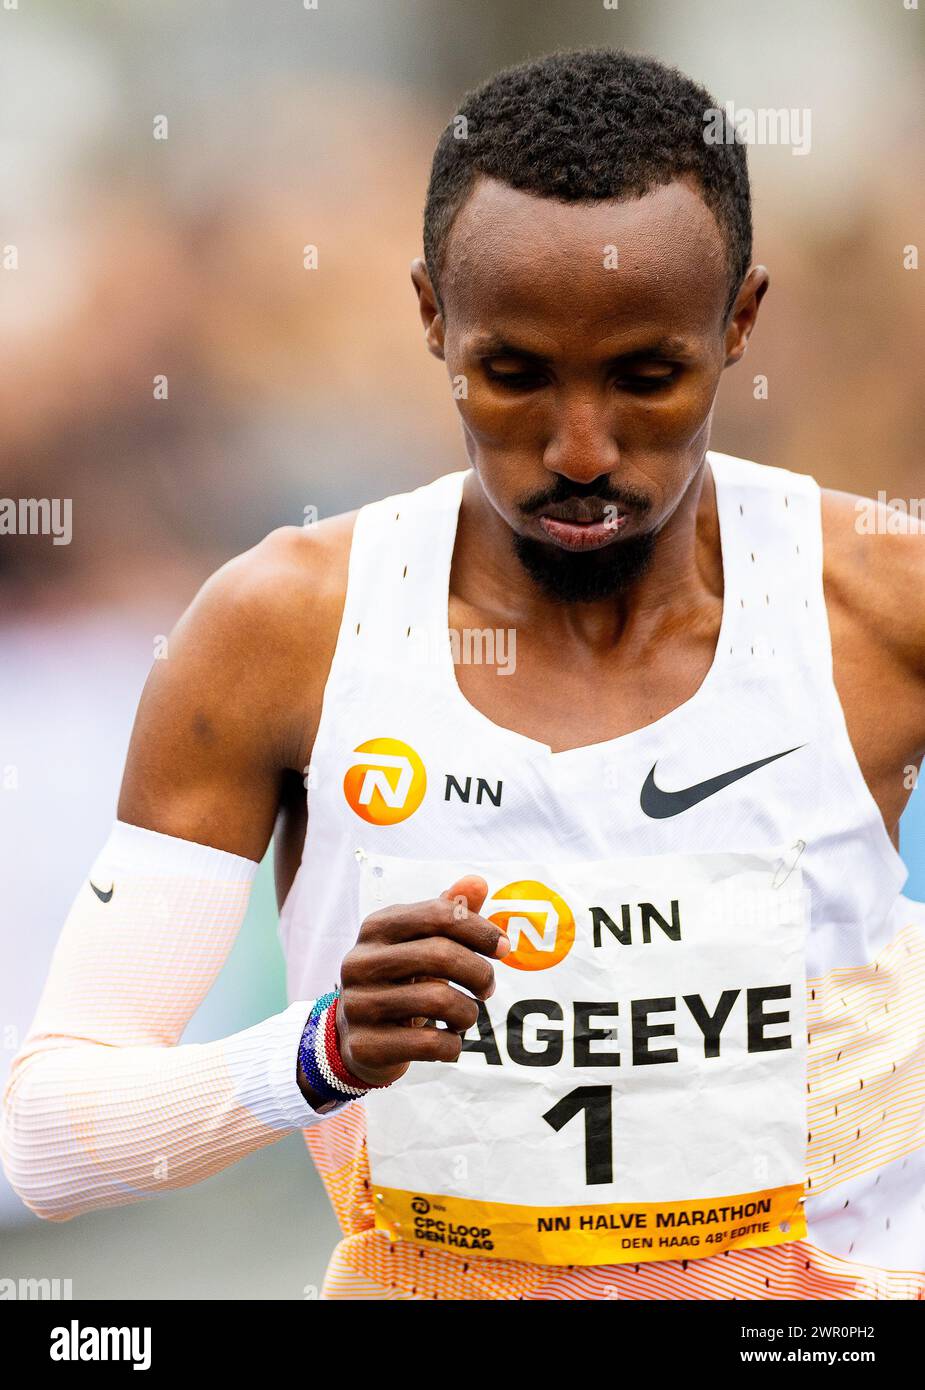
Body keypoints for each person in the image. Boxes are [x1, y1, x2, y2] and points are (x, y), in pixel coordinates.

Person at [3, 48, 924, 1301]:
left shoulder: (883, 599)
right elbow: (47, 1135)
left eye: (649, 377)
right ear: (433, 314)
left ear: (739, 322)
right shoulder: (284, 629)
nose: (582, 449)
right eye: (514, 374)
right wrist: (319, 1050)